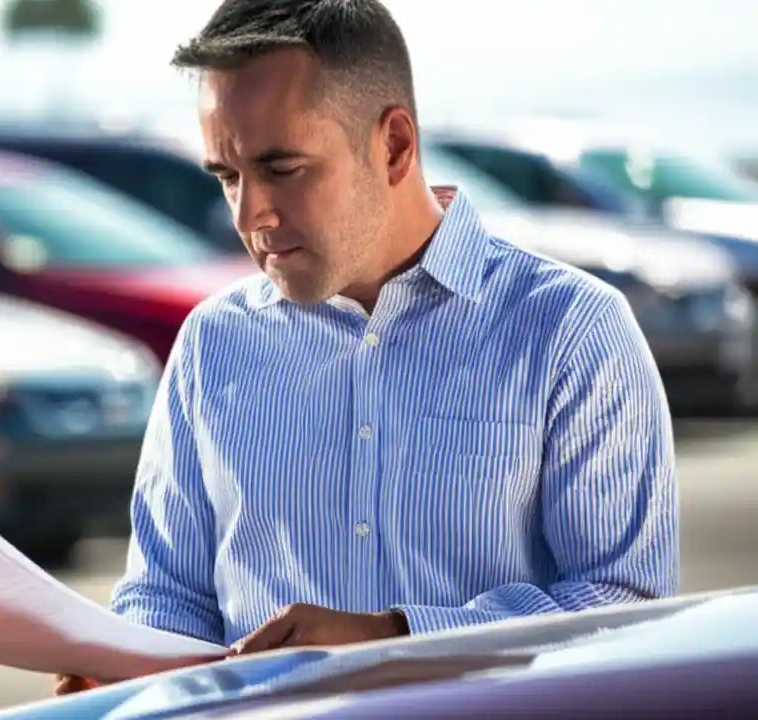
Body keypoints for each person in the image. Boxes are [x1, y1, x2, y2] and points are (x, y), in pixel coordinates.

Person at [56, 0, 677, 696]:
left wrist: (392, 638)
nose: (247, 215)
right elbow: (168, 594)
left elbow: (627, 612)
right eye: (228, 177)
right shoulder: (213, 344)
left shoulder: (570, 331)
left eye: (282, 168)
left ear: (393, 146)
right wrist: (123, 673)